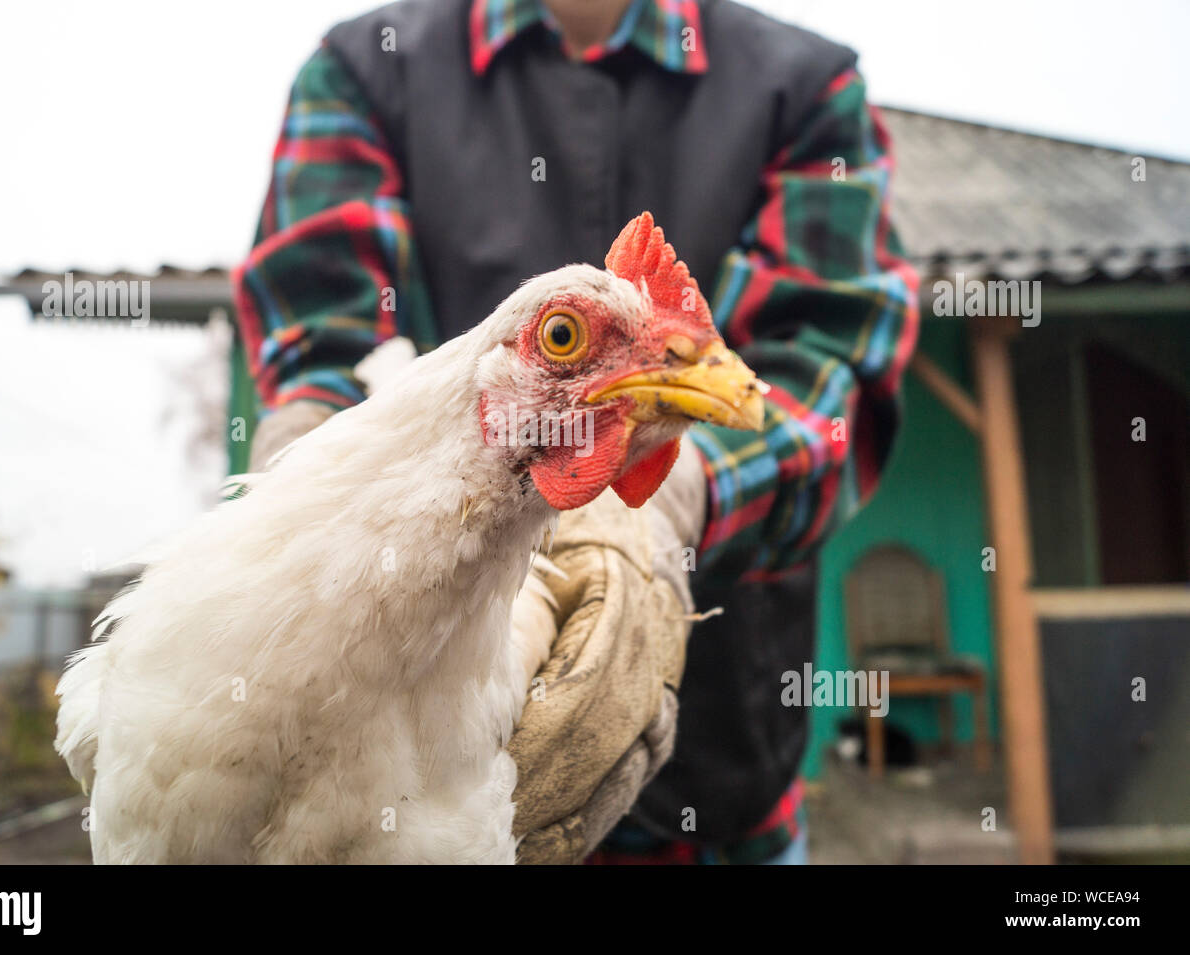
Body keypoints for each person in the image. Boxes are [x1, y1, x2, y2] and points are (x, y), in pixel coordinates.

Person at [233, 0, 918, 864]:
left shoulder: (804, 84)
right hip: (400, 788)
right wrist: (308, 477)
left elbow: (831, 374)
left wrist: (676, 497)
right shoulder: (368, 66)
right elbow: (326, 343)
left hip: (716, 771)